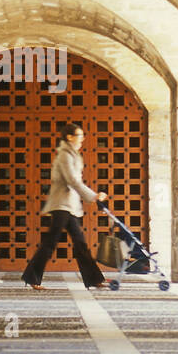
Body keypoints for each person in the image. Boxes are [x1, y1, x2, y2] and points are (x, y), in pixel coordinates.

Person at [20, 121, 110, 290]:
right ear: (69, 137)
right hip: (61, 205)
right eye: (79, 135)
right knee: (51, 243)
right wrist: (93, 196)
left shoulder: (73, 154)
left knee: (79, 243)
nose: (82, 139)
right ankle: (32, 277)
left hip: (69, 206)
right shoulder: (65, 155)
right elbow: (72, 180)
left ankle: (94, 279)